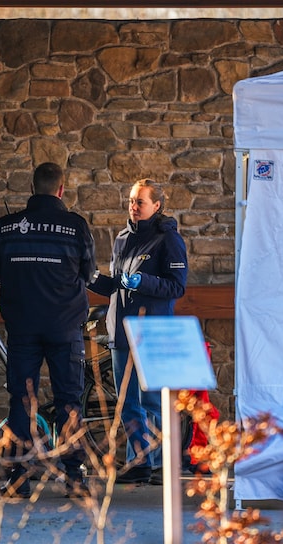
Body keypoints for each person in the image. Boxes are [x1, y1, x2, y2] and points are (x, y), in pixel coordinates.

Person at [0, 162, 97, 498]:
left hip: (22, 327)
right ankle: (74, 477)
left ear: (33, 188)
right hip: (65, 327)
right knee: (69, 401)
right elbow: (88, 272)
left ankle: (18, 477)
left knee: (21, 399)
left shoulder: (5, 228)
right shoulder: (76, 227)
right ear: (61, 190)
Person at [88, 179, 187, 484]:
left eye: (140, 202)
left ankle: (162, 465)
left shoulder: (168, 239)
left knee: (154, 402)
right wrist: (90, 277)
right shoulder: (121, 238)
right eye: (131, 201)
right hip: (121, 331)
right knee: (127, 402)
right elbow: (116, 285)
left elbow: (176, 286)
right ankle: (140, 462)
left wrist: (142, 282)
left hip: (152, 330)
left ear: (157, 206)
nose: (134, 207)